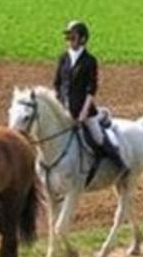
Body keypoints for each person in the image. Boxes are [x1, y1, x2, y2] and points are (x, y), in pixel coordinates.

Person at [54, 20, 127, 176]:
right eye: (67, 38)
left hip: (84, 111)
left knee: (98, 138)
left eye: (72, 37)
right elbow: (57, 84)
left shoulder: (89, 61)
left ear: (82, 39)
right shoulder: (63, 58)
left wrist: (83, 114)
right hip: (64, 110)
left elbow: (91, 89)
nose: (69, 41)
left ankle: (120, 165)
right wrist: (59, 107)